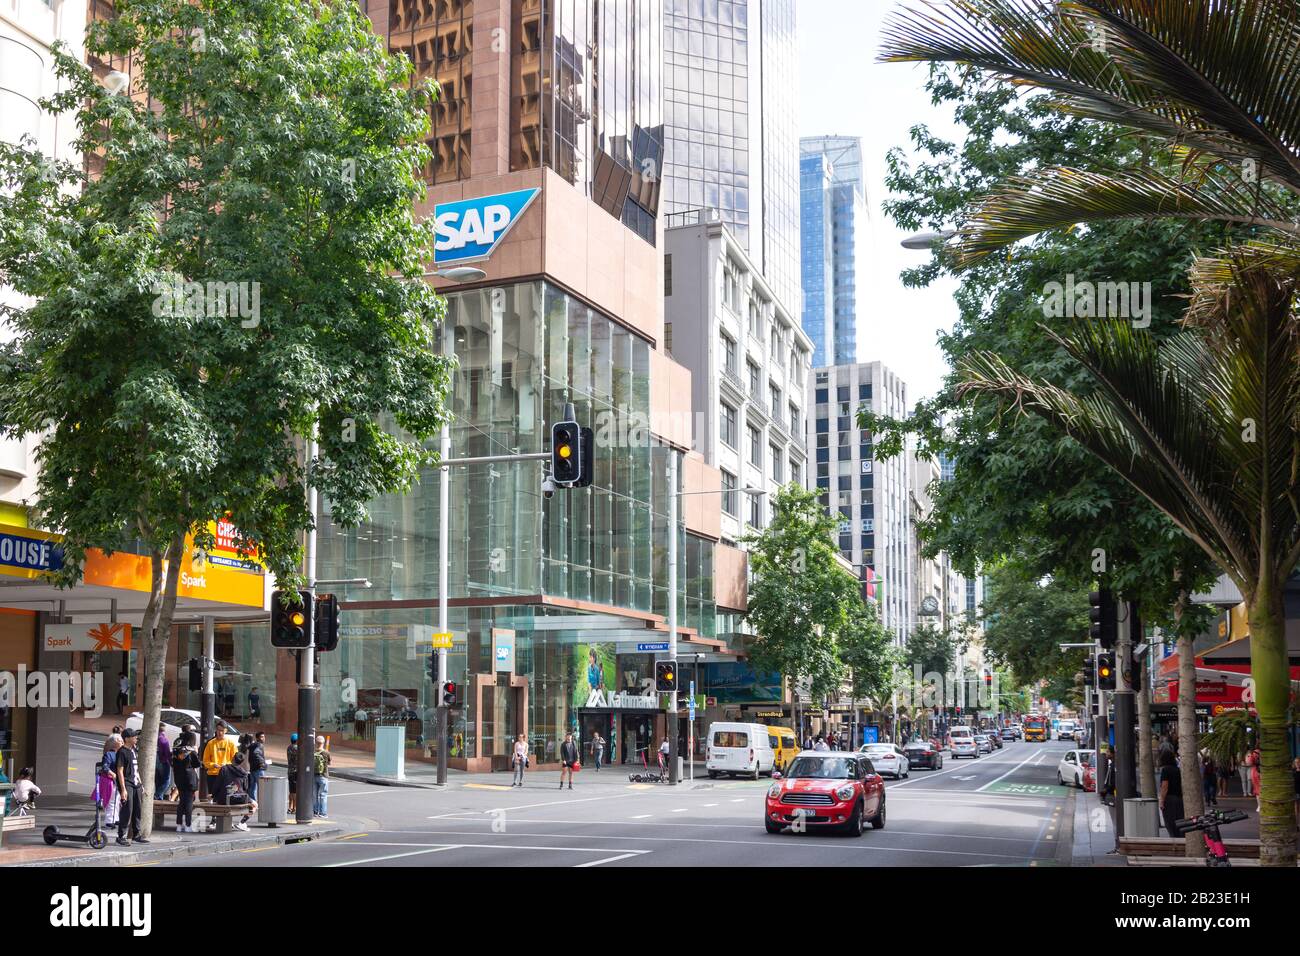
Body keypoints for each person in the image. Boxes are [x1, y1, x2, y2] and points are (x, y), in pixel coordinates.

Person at [115, 728, 148, 845]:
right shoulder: (121, 752)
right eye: (134, 736)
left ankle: (136, 835)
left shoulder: (133, 750)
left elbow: (136, 769)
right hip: (127, 783)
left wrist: (141, 785)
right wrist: (123, 789)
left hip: (136, 784)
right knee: (127, 810)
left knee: (137, 810)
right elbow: (119, 771)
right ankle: (121, 836)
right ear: (127, 739)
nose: (136, 738)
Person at [217, 752, 257, 831]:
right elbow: (245, 788)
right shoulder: (244, 773)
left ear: (232, 759)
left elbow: (218, 784)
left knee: (219, 801)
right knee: (255, 805)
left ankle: (215, 822)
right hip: (239, 798)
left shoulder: (224, 769)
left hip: (224, 798)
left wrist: (214, 795)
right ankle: (242, 823)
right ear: (241, 762)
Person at [171, 731, 202, 832]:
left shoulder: (176, 750)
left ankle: (179, 824)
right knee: (188, 803)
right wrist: (196, 752)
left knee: (181, 802)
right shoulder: (190, 751)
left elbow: (173, 763)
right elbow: (197, 764)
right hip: (189, 780)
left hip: (179, 779)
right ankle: (188, 825)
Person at [202, 720, 237, 799]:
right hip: (212, 775)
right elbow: (205, 761)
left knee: (224, 798)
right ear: (216, 730)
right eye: (218, 730)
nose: (220, 732)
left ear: (226, 731)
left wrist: (226, 765)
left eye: (222, 730)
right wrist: (213, 765)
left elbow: (235, 760)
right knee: (213, 798)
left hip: (226, 775)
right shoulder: (210, 743)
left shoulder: (231, 743)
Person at [1157, 749, 1184, 837]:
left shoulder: (1165, 770)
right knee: (1179, 822)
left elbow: (1165, 786)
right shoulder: (1178, 770)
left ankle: (1174, 840)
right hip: (1179, 798)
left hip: (1169, 799)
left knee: (1170, 823)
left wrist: (1161, 801)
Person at [98, 735, 122, 829]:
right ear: (114, 742)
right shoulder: (109, 754)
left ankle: (115, 818)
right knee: (111, 801)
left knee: (117, 800)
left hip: (118, 781)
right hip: (111, 781)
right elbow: (105, 767)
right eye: (119, 741)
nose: (122, 742)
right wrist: (112, 773)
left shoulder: (120, 754)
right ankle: (109, 821)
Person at [312, 736, 331, 817]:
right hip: (323, 776)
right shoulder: (326, 753)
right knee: (323, 795)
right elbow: (329, 763)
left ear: (316, 743)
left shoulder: (313, 752)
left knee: (314, 794)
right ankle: (323, 813)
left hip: (314, 775)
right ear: (323, 743)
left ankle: (315, 812)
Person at [247, 731, 268, 802]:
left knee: (252, 787)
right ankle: (261, 803)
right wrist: (263, 763)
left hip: (253, 768)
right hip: (259, 769)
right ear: (257, 738)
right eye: (261, 737)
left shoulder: (253, 745)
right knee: (261, 787)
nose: (263, 738)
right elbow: (256, 753)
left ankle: (253, 802)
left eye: (264, 736)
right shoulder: (259, 745)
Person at [154, 727, 173, 801]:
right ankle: (157, 795)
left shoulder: (154, 738)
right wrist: (170, 761)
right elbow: (167, 752)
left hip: (156, 761)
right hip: (163, 761)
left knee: (158, 781)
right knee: (166, 781)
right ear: (163, 731)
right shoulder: (163, 739)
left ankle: (159, 798)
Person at [1246, 746, 1262, 812]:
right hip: (1262, 771)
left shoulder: (1252, 753)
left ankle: (1259, 806)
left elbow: (1248, 763)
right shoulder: (1264, 752)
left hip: (1254, 771)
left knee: (1257, 790)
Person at [286, 733, 300, 813]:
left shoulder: (289, 747)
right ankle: (294, 808)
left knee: (291, 791)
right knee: (295, 791)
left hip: (290, 771)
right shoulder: (297, 748)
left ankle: (289, 807)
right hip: (295, 771)